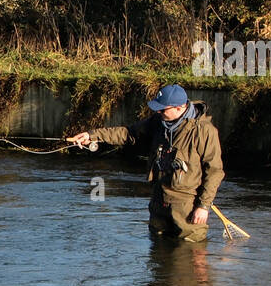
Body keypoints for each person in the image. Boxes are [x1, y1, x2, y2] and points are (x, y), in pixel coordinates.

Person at [67, 84, 224, 242]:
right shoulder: (158, 122)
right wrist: (92, 135)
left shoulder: (204, 131)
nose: (158, 112)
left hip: (187, 208)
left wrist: (203, 206)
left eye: (163, 109)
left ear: (179, 107)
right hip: (158, 203)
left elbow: (215, 171)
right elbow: (129, 134)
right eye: (158, 108)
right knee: (157, 257)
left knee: (190, 255)